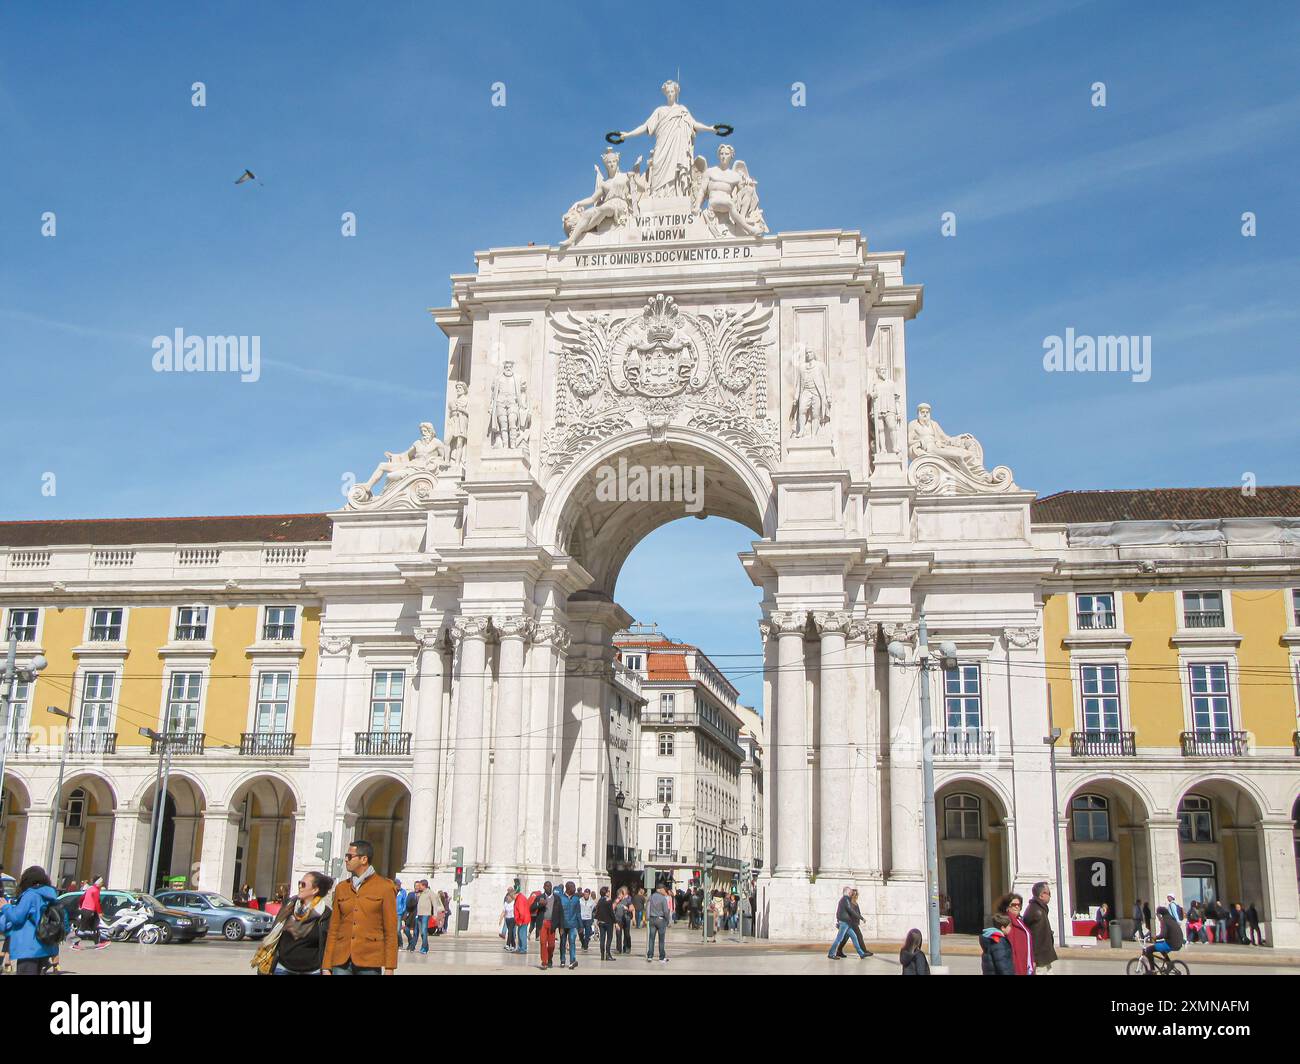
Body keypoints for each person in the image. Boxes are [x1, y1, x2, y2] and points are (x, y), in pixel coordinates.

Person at [321, 840, 398, 975]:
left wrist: (390, 967)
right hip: (341, 959)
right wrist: (326, 965)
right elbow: (333, 928)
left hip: (369, 959)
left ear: (364, 859)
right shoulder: (341, 888)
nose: (346, 859)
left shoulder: (385, 887)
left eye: (350, 856)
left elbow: (390, 930)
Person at [0, 866, 66, 975]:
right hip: (45, 945)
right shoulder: (50, 895)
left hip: (29, 946)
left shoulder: (30, 895)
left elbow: (17, 918)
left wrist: (6, 907)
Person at [270, 872, 333, 975]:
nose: (300, 887)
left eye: (303, 884)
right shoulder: (288, 906)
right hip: (283, 968)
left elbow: (328, 943)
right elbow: (275, 933)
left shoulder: (325, 914)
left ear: (315, 890)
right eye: (299, 883)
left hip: (312, 970)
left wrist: (326, 968)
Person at [828, 886, 870, 960]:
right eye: (850, 892)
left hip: (846, 923)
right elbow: (850, 910)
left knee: (854, 937)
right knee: (839, 939)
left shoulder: (843, 900)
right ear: (848, 892)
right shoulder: (845, 899)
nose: (851, 893)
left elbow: (839, 912)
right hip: (844, 923)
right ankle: (831, 954)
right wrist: (861, 918)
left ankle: (861, 954)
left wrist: (838, 920)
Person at [1022, 882, 1055, 974]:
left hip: (1043, 957)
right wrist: (1034, 959)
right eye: (1049, 893)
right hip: (1041, 958)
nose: (1050, 896)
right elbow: (1036, 937)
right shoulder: (1037, 911)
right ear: (1042, 895)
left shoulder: (1039, 908)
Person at [997, 893, 1034, 975]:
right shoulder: (1007, 922)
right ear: (1007, 907)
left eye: (1019, 904)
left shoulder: (1019, 921)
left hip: (1026, 963)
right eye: (1014, 905)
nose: (1017, 907)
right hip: (1016, 964)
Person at [73, 875, 106, 950]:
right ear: (98, 883)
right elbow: (96, 902)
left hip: (85, 910)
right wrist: (100, 912)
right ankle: (75, 944)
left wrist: (82, 906)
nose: (102, 884)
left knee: (94, 927)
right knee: (83, 928)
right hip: (90, 911)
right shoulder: (95, 890)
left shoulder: (90, 889)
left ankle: (97, 944)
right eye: (101, 882)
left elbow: (81, 898)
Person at [536, 881, 564, 971]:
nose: (548, 888)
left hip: (552, 923)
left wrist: (561, 927)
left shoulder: (557, 898)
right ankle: (544, 962)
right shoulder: (540, 897)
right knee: (543, 942)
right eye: (547, 886)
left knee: (551, 945)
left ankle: (550, 959)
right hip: (543, 922)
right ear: (544, 887)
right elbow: (531, 907)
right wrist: (539, 904)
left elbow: (561, 913)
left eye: (550, 886)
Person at [558, 881, 581, 969]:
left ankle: (572, 960)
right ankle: (562, 960)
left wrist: (581, 926)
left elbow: (578, 913)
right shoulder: (561, 898)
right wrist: (560, 926)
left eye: (574, 887)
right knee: (563, 943)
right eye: (572, 887)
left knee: (572, 941)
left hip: (572, 924)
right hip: (563, 925)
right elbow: (559, 913)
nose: (574, 888)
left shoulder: (576, 899)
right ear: (567, 888)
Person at [646, 883, 671, 963]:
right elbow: (666, 911)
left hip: (652, 919)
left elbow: (647, 908)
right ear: (660, 889)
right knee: (661, 939)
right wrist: (667, 920)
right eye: (664, 889)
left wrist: (648, 918)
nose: (665, 891)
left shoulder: (651, 897)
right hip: (661, 920)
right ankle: (661, 957)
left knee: (651, 938)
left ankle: (650, 956)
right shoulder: (663, 898)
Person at [413, 880, 436, 954]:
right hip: (419, 914)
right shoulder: (420, 893)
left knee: (424, 931)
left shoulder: (430, 893)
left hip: (426, 914)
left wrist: (435, 914)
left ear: (424, 886)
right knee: (421, 932)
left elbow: (435, 904)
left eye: (420, 886)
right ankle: (426, 946)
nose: (418, 887)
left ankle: (424, 948)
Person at [595, 886, 616, 961]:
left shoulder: (599, 901)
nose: (609, 893)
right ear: (606, 893)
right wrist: (615, 921)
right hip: (608, 922)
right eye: (608, 891)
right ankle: (608, 954)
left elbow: (596, 911)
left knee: (602, 939)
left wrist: (597, 919)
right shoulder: (609, 901)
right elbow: (611, 912)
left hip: (601, 922)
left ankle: (602, 955)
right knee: (609, 938)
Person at [511, 885, 531, 957]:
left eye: (512, 896)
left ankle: (523, 949)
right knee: (520, 933)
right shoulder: (519, 897)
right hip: (523, 919)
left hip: (523, 920)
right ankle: (520, 948)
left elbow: (521, 912)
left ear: (515, 894)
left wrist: (519, 921)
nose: (512, 898)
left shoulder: (519, 899)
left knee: (522, 934)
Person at [614, 887, 634, 954]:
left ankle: (627, 947)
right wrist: (616, 903)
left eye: (620, 894)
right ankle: (618, 949)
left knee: (627, 934)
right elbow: (612, 908)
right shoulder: (616, 900)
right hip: (618, 919)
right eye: (618, 894)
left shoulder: (627, 900)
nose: (619, 896)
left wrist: (627, 908)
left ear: (623, 894)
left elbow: (632, 908)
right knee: (618, 934)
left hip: (626, 919)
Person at [403, 882, 422, 951]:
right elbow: (408, 904)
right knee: (406, 930)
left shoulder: (422, 894)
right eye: (416, 886)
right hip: (410, 915)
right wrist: (416, 901)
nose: (417, 887)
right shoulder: (411, 894)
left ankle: (412, 946)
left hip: (418, 915)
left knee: (416, 932)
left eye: (418, 886)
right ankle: (410, 941)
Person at [578, 888, 595, 952]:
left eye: (587, 894)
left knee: (587, 933)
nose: (586, 895)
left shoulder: (592, 901)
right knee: (580, 932)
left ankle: (586, 945)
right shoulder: (580, 900)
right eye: (585, 894)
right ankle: (583, 942)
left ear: (589, 894)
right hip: (581, 918)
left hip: (588, 919)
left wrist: (592, 919)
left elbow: (593, 910)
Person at [501, 889, 517, 953]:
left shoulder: (514, 903)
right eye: (507, 897)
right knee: (511, 933)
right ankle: (513, 945)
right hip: (507, 919)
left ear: (511, 897)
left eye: (508, 897)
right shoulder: (505, 903)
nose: (507, 898)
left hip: (513, 919)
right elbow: (504, 912)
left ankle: (507, 945)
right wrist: (501, 919)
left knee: (510, 931)